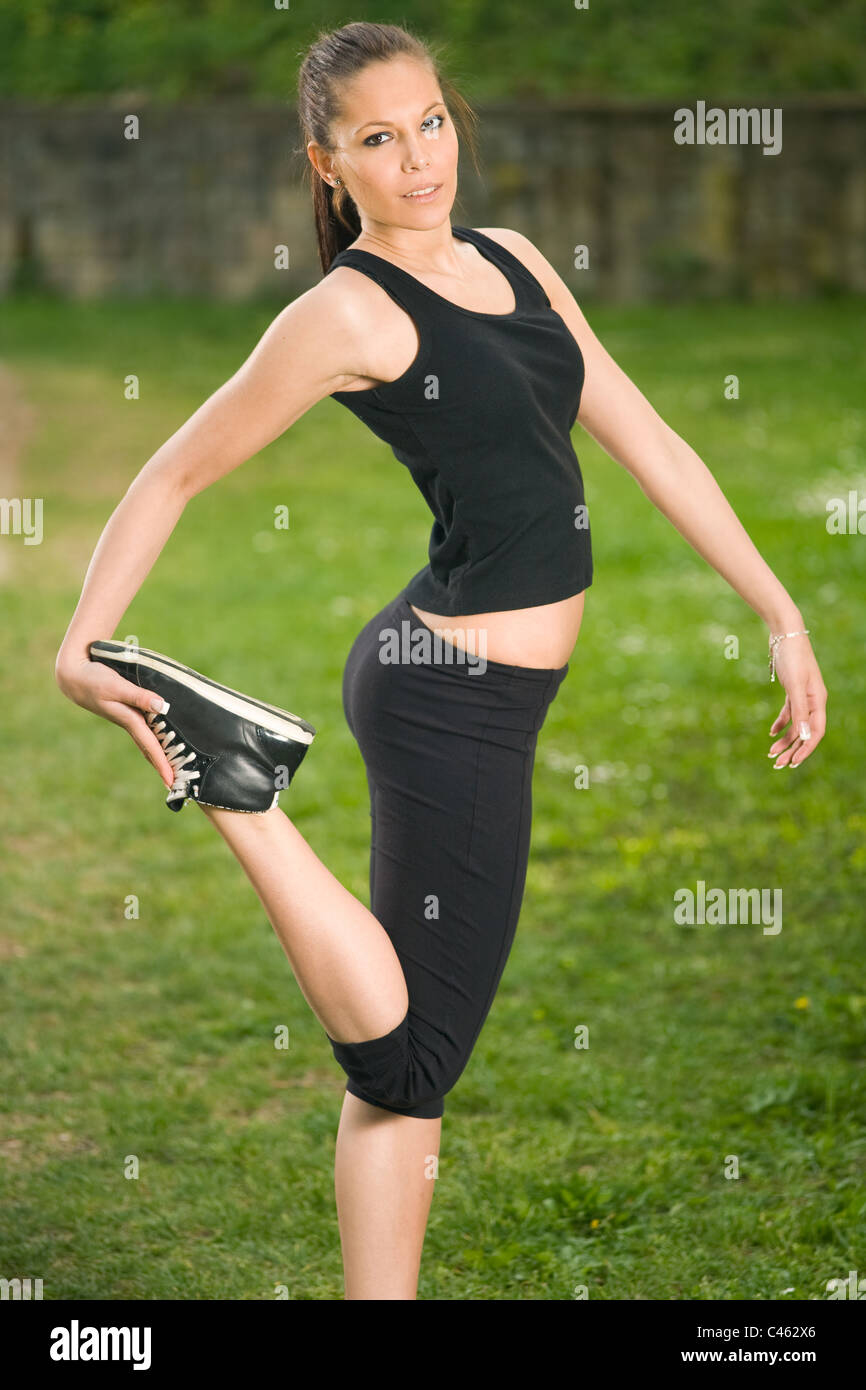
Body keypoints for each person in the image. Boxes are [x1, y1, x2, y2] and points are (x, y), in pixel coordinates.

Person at [54, 21, 828, 1300]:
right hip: (447, 702)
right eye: (376, 139)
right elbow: (173, 467)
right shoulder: (346, 309)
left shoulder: (514, 261)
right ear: (327, 163)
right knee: (408, 1061)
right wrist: (79, 638)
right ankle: (240, 790)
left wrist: (777, 610)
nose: (417, 160)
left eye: (430, 123)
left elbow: (649, 436)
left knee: (402, 1079)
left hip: (467, 690)